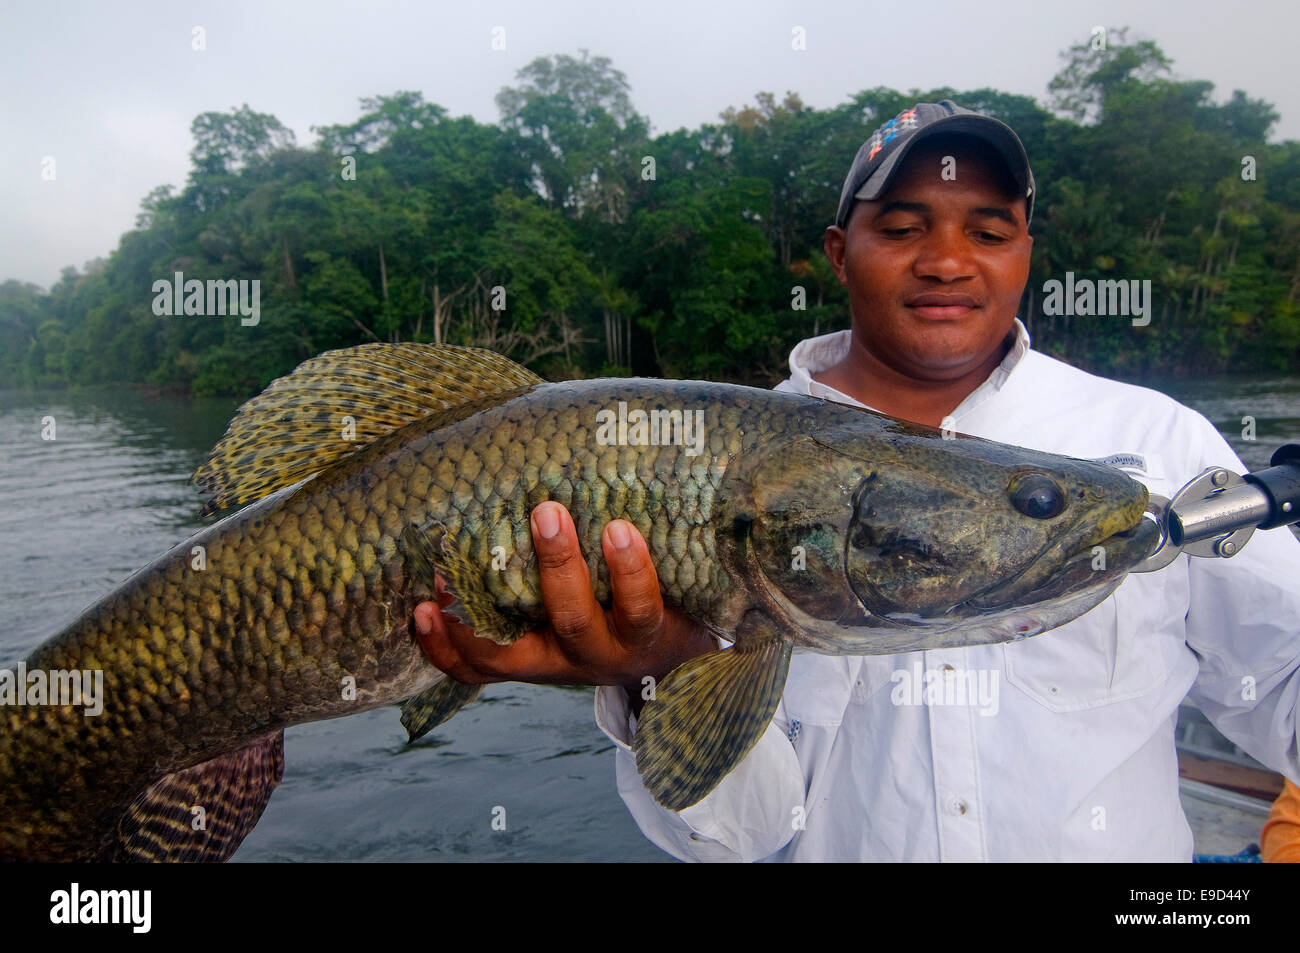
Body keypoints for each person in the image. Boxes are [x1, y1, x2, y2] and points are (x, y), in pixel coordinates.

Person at [415, 101, 1300, 861]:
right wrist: (652, 674)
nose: (947, 260)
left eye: (988, 231)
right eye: (903, 227)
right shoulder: (707, 472)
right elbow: (735, 837)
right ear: (840, 253)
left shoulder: (1158, 440)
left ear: (1027, 251)